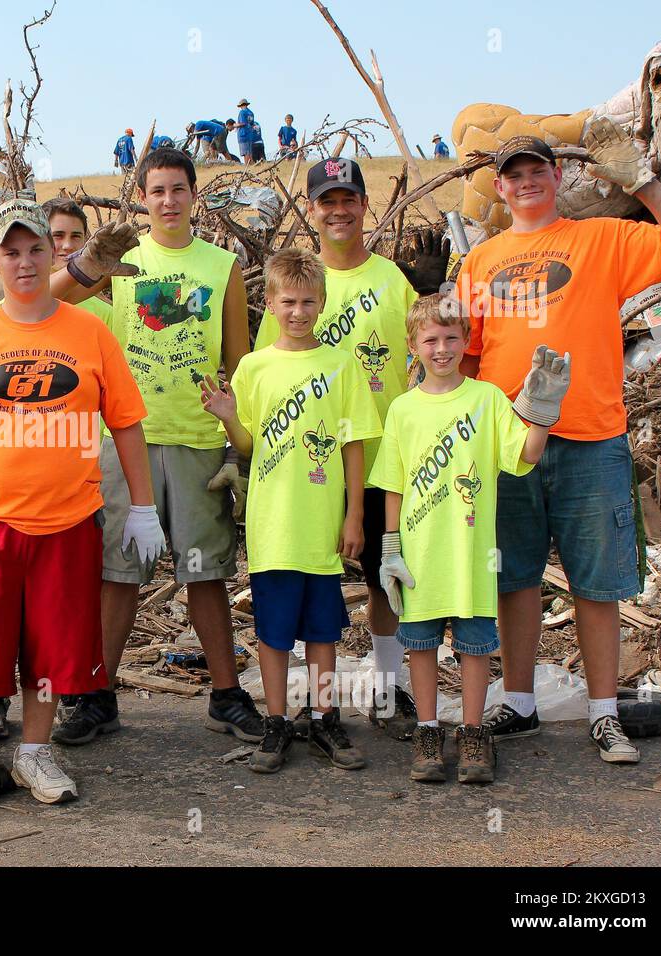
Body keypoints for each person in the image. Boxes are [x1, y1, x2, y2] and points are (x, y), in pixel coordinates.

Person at [457, 125, 661, 763]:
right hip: (508, 444)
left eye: (538, 170)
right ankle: (521, 702)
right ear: (500, 187)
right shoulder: (479, 262)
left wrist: (642, 182)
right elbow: (466, 358)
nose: (527, 181)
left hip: (590, 436)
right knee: (513, 576)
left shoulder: (599, 239)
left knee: (596, 582)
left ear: (558, 177)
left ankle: (603, 712)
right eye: (514, 174)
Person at [0, 198, 162, 804]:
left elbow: (126, 422)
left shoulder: (91, 332)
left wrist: (142, 506)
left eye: (35, 249)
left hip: (69, 522)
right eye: (11, 251)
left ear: (55, 252)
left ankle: (34, 750)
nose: (25, 263)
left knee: (51, 652)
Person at [48, 147, 262, 748]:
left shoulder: (222, 267)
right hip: (126, 441)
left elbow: (239, 363)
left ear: (196, 195)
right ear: (140, 198)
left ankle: (226, 695)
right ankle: (96, 695)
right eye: (157, 191)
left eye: (178, 189)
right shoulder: (122, 264)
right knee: (118, 575)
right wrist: (90, 263)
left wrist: (237, 447)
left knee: (205, 572)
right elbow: (46, 302)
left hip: (197, 438)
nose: (168, 201)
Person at [257, 157, 423, 739]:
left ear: (364, 205)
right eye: (327, 200)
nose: (338, 210)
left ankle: (388, 685)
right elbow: (264, 383)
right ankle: (299, 711)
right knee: (310, 580)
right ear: (311, 210)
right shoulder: (294, 285)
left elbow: (426, 352)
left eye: (348, 199)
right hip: (309, 475)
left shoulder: (391, 280)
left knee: (383, 576)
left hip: (384, 457)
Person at [200, 247, 381, 773]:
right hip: (273, 526)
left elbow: (352, 443)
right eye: (288, 302)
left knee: (323, 631)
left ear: (322, 303)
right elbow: (249, 446)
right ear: (271, 303)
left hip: (322, 526)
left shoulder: (341, 365)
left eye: (307, 301)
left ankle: (324, 718)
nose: (298, 311)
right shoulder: (255, 367)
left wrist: (352, 515)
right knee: (273, 632)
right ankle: (276, 722)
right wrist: (231, 418)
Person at [371, 294, 564, 784]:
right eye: (430, 340)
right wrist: (390, 548)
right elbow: (393, 483)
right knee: (420, 644)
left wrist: (541, 411)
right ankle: (428, 732)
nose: (441, 348)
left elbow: (525, 455)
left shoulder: (487, 399)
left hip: (475, 555)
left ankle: (474, 732)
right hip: (420, 554)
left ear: (466, 340)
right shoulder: (403, 409)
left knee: (476, 645)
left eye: (451, 337)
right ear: (413, 346)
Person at [42, 197, 112, 324]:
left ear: (85, 240)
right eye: (57, 235)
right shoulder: (16, 304)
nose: (67, 246)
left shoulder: (103, 312)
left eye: (75, 236)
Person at [235, 99, 261, 163]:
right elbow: (252, 124)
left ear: (241, 105)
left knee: (245, 153)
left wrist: (235, 125)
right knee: (249, 152)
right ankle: (251, 166)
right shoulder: (251, 113)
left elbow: (243, 123)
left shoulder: (242, 112)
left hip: (243, 135)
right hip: (250, 135)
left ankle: (247, 166)